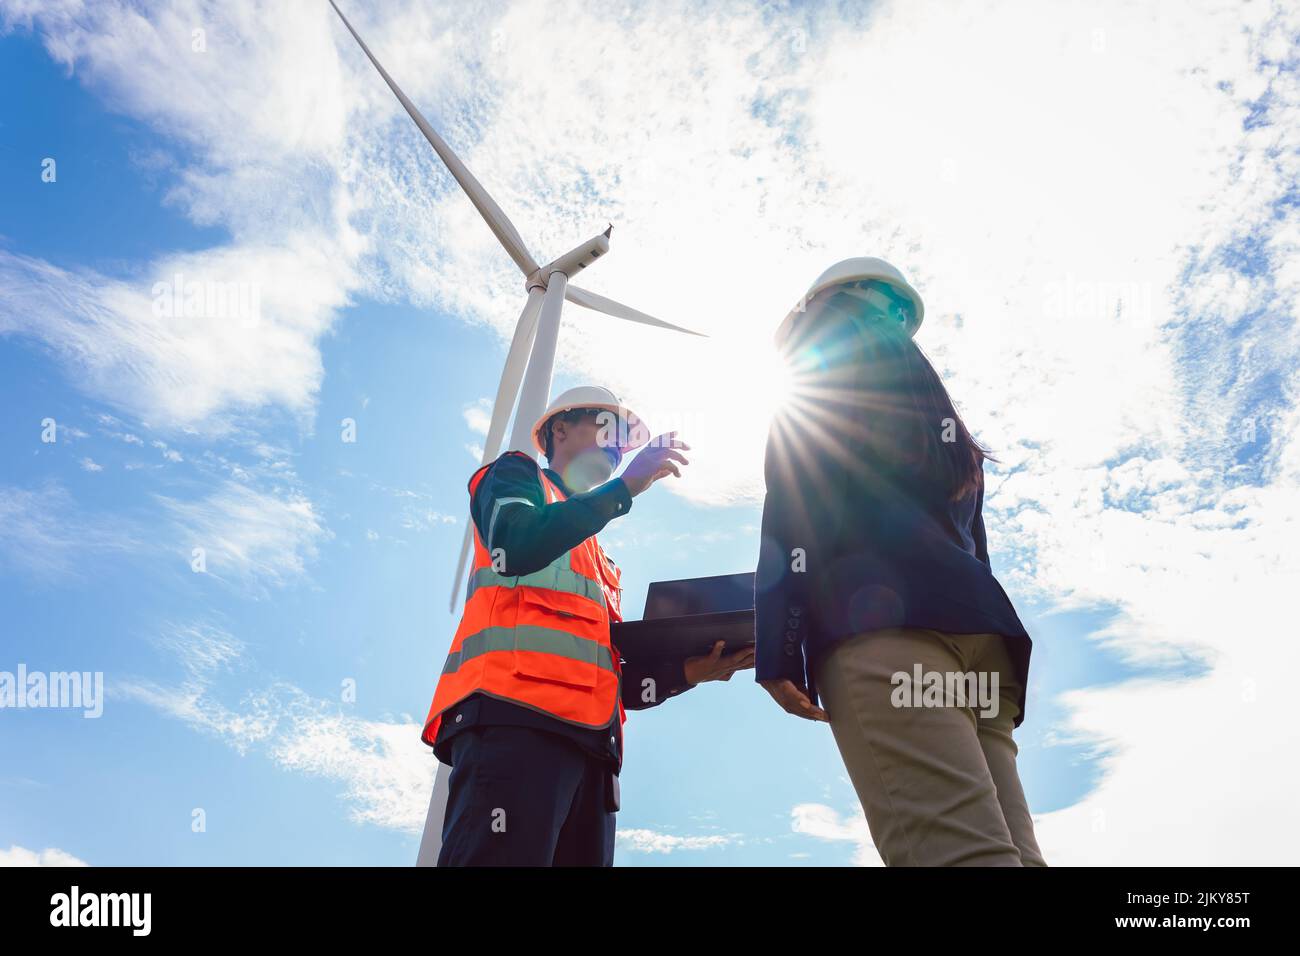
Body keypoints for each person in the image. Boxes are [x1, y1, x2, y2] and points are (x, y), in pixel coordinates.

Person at [754, 257, 1047, 867]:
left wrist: (777, 652)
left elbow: (792, 527)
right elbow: (977, 553)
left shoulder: (818, 394)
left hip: (886, 638)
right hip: (982, 647)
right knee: (1014, 856)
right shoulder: (947, 429)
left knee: (959, 857)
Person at [422, 385, 754, 866]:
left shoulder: (599, 554)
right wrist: (622, 491)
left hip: (592, 751)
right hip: (514, 724)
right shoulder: (516, 474)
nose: (619, 448)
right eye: (608, 430)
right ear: (559, 428)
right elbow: (514, 545)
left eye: (625, 441)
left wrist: (689, 672)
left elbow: (610, 677)